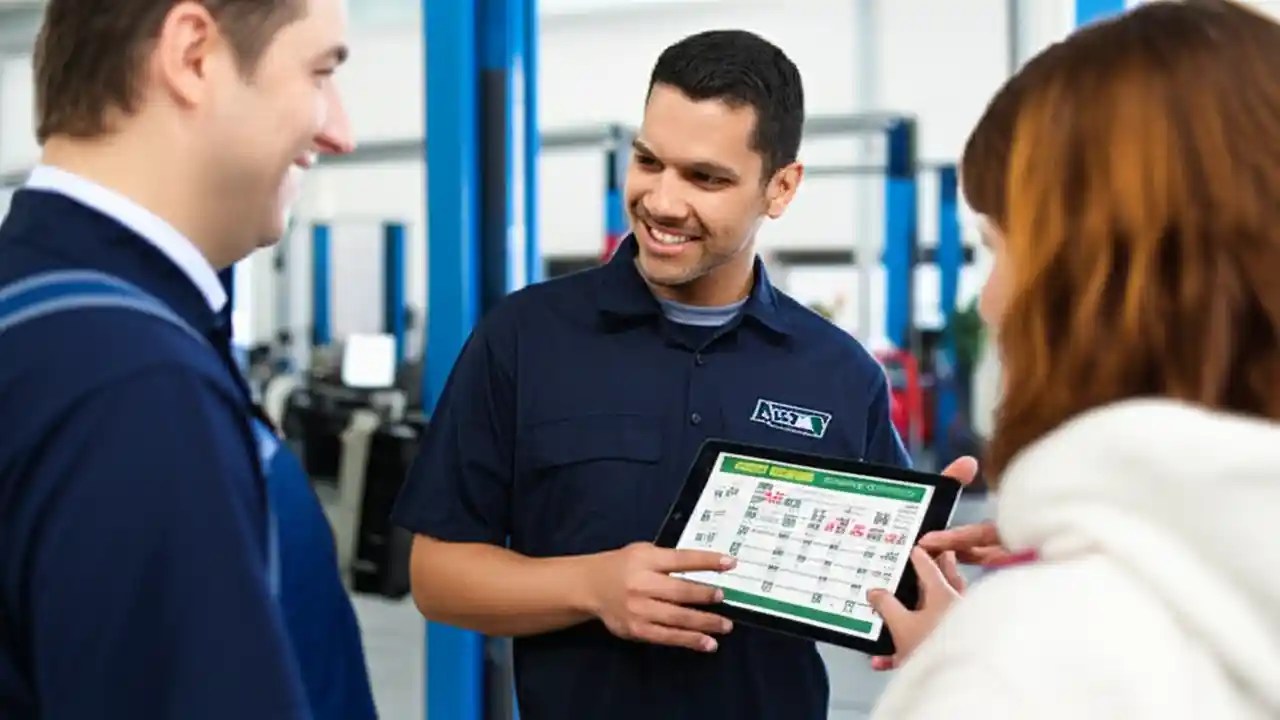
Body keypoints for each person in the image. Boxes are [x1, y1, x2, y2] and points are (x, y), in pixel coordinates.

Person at [392, 28, 975, 720]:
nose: (663, 202)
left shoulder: (839, 373)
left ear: (781, 187)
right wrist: (596, 586)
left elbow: (890, 591)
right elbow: (437, 577)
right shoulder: (524, 339)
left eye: (706, 178)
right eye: (648, 161)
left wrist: (928, 589)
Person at [863, 1, 1280, 717]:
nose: (989, 301)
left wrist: (979, 666)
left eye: (997, 249)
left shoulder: (1030, 661)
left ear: (1092, 279)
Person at [0, 1, 373, 718]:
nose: (341, 131)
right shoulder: (134, 388)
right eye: (320, 72)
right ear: (194, 54)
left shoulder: (43, 321)